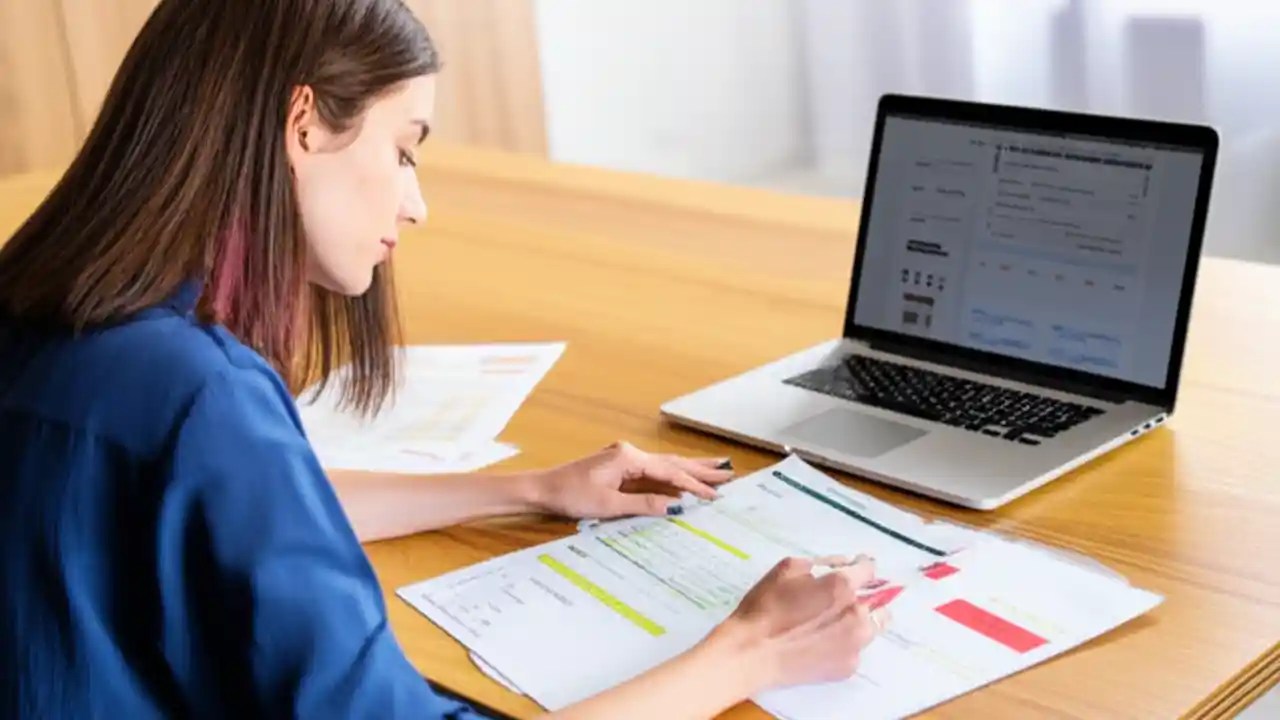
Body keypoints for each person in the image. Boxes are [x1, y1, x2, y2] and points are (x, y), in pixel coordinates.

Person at [0, 1, 888, 718]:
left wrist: (529, 490)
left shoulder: (53, 312)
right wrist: (753, 649)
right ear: (303, 122)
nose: (416, 203)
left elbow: (228, 511)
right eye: (404, 148)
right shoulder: (198, 393)